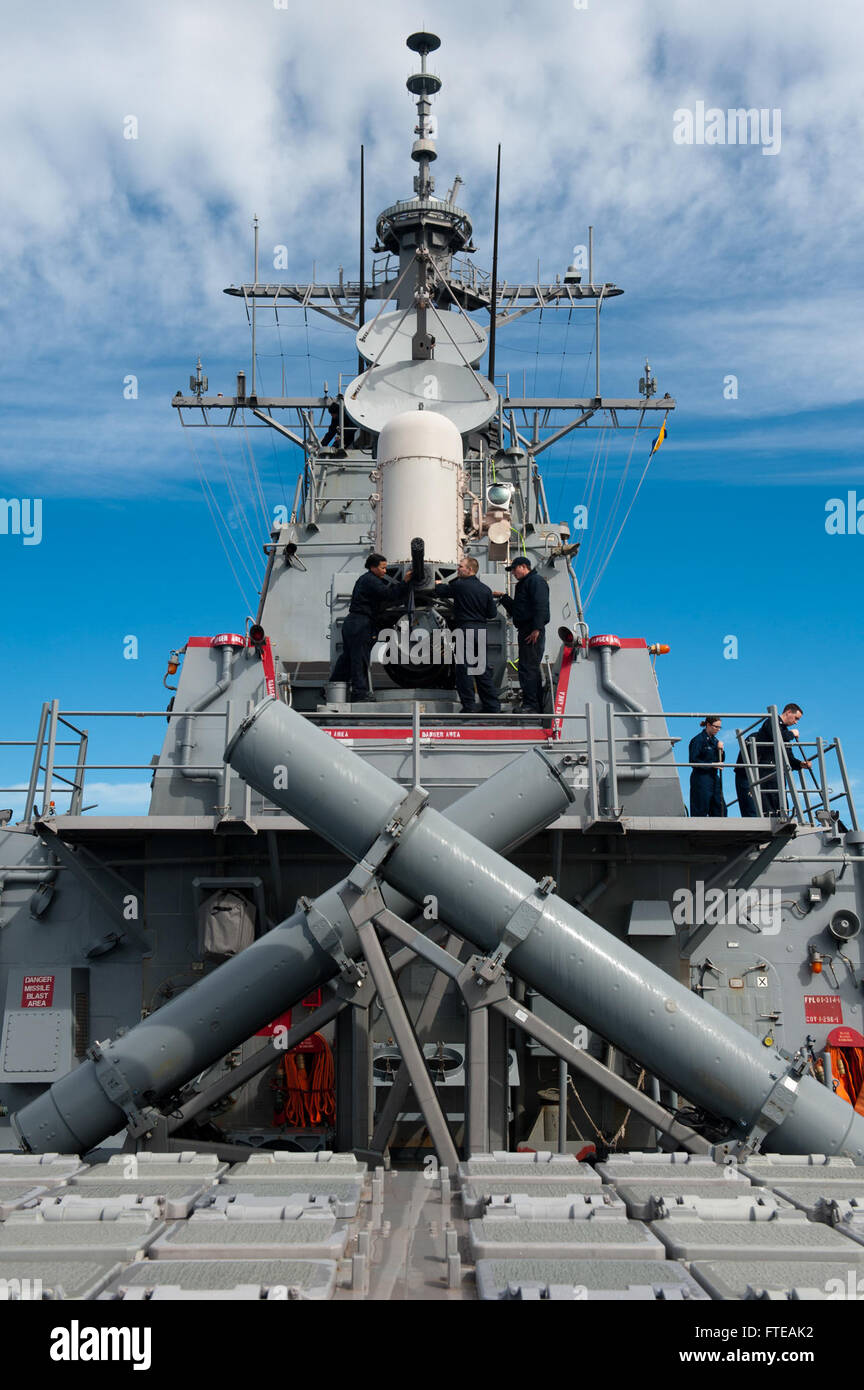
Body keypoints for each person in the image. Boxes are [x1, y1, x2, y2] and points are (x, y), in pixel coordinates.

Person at [330, 554, 410, 702]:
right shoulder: (371, 581)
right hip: (360, 623)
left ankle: (333, 688)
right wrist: (405, 582)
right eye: (383, 568)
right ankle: (360, 693)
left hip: (353, 623)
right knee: (360, 659)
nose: (385, 571)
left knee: (348, 659)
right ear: (373, 567)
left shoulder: (365, 579)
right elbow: (388, 594)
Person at [432, 556, 500, 713]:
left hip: (465, 630)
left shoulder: (459, 586)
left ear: (470, 570)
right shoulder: (485, 589)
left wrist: (437, 584)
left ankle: (469, 706)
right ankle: (492, 706)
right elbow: (491, 613)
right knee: (481, 669)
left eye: (461, 567)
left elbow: (441, 591)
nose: (458, 569)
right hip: (481, 631)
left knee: (464, 670)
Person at [493, 557, 550, 712]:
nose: (512, 573)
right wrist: (503, 597)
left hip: (532, 631)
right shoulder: (524, 584)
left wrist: (536, 629)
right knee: (528, 667)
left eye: (513, 569)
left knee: (528, 668)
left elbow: (541, 606)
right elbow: (518, 610)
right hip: (526, 630)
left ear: (523, 567)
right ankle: (533, 704)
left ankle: (531, 706)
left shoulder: (536, 582)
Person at [736, 703, 811, 816]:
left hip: (776, 772)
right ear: (788, 712)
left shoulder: (784, 730)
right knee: (769, 805)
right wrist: (791, 734)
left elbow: (788, 756)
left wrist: (800, 764)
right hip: (766, 771)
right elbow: (777, 736)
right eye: (796, 718)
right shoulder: (771, 722)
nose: (796, 722)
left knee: (780, 803)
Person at [689, 717, 726, 817]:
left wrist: (721, 750)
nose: (718, 729)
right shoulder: (698, 740)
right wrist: (712, 765)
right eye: (716, 727)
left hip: (714, 778)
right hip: (701, 778)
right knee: (701, 806)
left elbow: (721, 760)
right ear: (708, 725)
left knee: (720, 806)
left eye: (720, 727)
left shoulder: (715, 741)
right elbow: (693, 761)